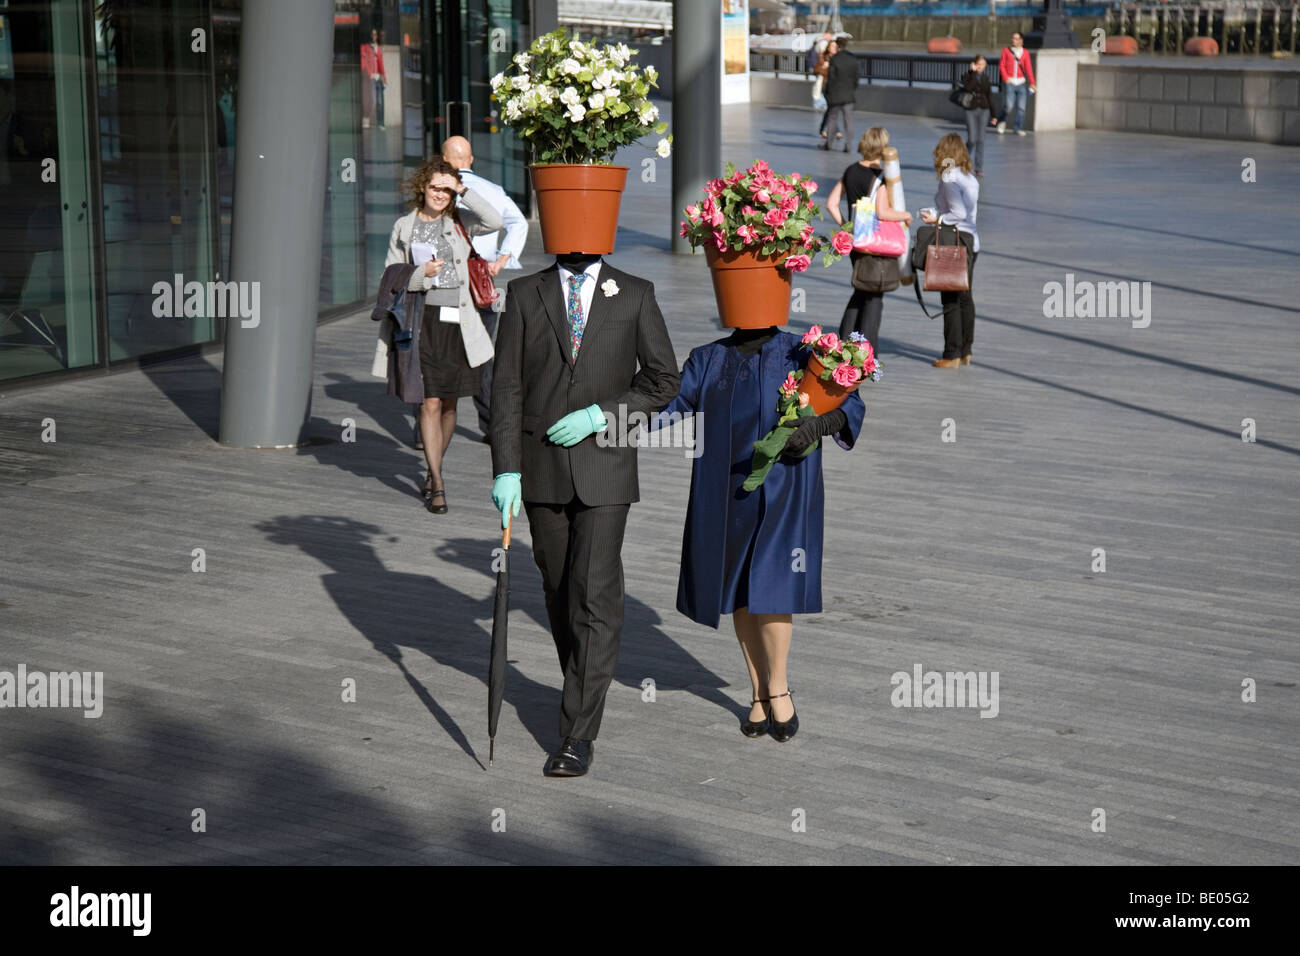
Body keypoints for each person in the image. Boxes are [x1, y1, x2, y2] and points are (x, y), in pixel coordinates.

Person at [490, 252, 679, 778]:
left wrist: (602, 415)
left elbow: (664, 382)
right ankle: (583, 679)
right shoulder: (526, 293)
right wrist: (506, 468)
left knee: (594, 592)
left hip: (606, 466)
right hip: (541, 465)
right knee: (559, 591)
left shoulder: (635, 292)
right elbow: (505, 386)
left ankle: (577, 734)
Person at [660, 324, 866, 742]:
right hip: (728, 487)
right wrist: (609, 416)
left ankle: (779, 685)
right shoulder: (707, 358)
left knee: (773, 584)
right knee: (739, 590)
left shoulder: (802, 350)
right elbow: (670, 404)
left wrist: (819, 425)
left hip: (787, 485)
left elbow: (851, 404)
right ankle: (757, 691)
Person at [380, 158, 502, 512]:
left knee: (450, 404)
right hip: (422, 322)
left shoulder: (460, 221)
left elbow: (495, 220)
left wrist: (463, 190)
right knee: (429, 401)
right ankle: (437, 481)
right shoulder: (404, 226)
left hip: (459, 325)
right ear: (422, 187)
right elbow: (391, 277)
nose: (440, 195)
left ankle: (435, 469)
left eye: (447, 190)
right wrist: (421, 274)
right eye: (435, 187)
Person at [441, 135, 528, 442]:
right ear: (472, 159)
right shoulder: (493, 190)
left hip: (447, 284)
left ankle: (425, 426)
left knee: (439, 353)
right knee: (483, 355)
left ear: (444, 158)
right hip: (483, 284)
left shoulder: (437, 191)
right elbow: (519, 223)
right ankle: (492, 426)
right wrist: (502, 260)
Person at [825, 126, 912, 354]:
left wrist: (847, 226)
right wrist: (905, 215)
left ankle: (844, 340)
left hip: (857, 242)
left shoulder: (850, 170)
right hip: (876, 245)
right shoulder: (879, 178)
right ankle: (866, 351)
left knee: (861, 289)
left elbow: (831, 203)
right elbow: (883, 213)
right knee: (874, 294)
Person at [920, 134, 980, 368]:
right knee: (965, 297)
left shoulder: (949, 177)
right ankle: (966, 349)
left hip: (954, 241)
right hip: (972, 241)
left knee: (950, 298)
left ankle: (951, 353)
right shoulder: (969, 177)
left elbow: (958, 213)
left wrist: (935, 217)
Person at [957, 55, 993, 176]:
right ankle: (963, 161)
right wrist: (972, 73)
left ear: (985, 66)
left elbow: (989, 96)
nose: (980, 67)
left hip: (984, 110)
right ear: (974, 64)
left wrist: (994, 115)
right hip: (970, 109)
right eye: (978, 64)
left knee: (981, 139)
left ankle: (979, 167)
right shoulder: (967, 76)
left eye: (982, 64)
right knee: (972, 139)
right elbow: (968, 87)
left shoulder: (986, 78)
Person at [819, 38, 857, 152]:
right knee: (848, 120)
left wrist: (828, 93)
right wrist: (852, 89)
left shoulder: (835, 59)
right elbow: (856, 78)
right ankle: (848, 145)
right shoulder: (853, 59)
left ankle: (829, 144)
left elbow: (831, 78)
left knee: (832, 118)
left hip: (835, 94)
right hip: (849, 94)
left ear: (837, 46)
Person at [996, 33, 1035, 136]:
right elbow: (1002, 65)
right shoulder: (1006, 51)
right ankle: (1001, 121)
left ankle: (1018, 128)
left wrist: (1032, 83)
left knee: (1021, 108)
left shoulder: (1025, 53)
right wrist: (1006, 78)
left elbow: (1028, 68)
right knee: (1009, 106)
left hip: (1021, 82)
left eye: (1016, 39)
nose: (1014, 40)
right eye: (1013, 38)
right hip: (1010, 82)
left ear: (1021, 41)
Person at [361, 28, 387, 129]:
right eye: (372, 34)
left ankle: (380, 123)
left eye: (375, 35)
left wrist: (384, 77)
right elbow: (363, 61)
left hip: (378, 77)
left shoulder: (378, 48)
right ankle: (366, 118)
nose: (374, 37)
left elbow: (381, 63)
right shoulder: (365, 47)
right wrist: (370, 73)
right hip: (371, 77)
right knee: (370, 99)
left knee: (379, 101)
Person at [810, 31, 833, 140]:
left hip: (821, 72)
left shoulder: (818, 41)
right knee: (831, 109)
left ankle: (826, 129)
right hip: (822, 72)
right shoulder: (822, 43)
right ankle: (820, 104)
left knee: (831, 110)